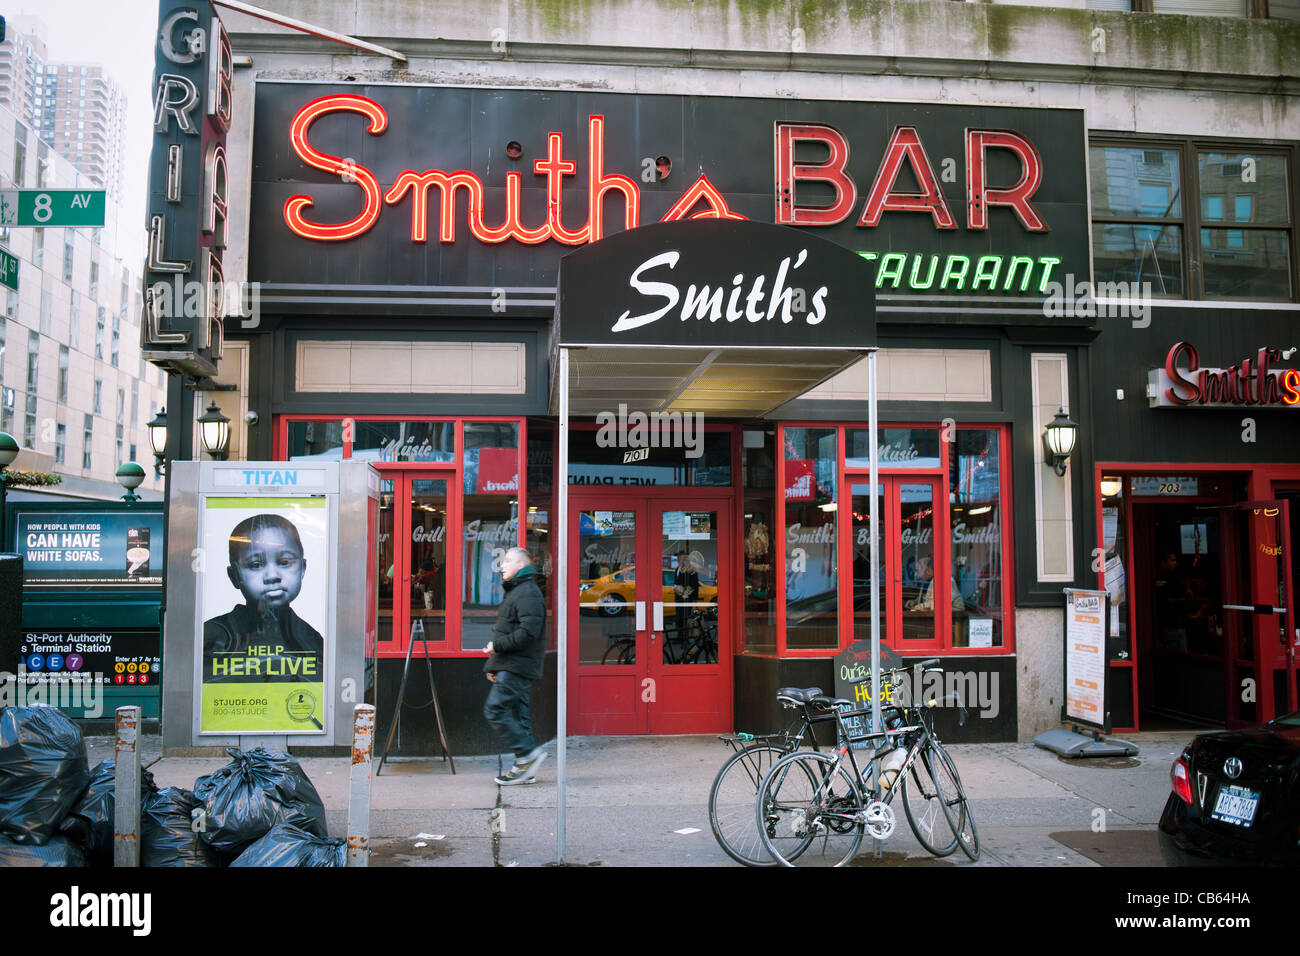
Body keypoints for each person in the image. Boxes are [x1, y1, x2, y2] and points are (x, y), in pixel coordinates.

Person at [203, 513, 323, 681]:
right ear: (234, 576)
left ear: (303, 568)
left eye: (284, 562)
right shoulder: (214, 635)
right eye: (256, 565)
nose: (272, 576)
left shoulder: (313, 640)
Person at [483, 546, 548, 785]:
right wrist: (494, 664)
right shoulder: (519, 591)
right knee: (519, 715)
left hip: (518, 665)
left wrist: (496, 647)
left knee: (495, 710)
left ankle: (528, 755)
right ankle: (525, 767)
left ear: (521, 565)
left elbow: (527, 633)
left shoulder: (527, 593)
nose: (502, 565)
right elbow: (510, 629)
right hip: (512, 664)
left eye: (507, 561)